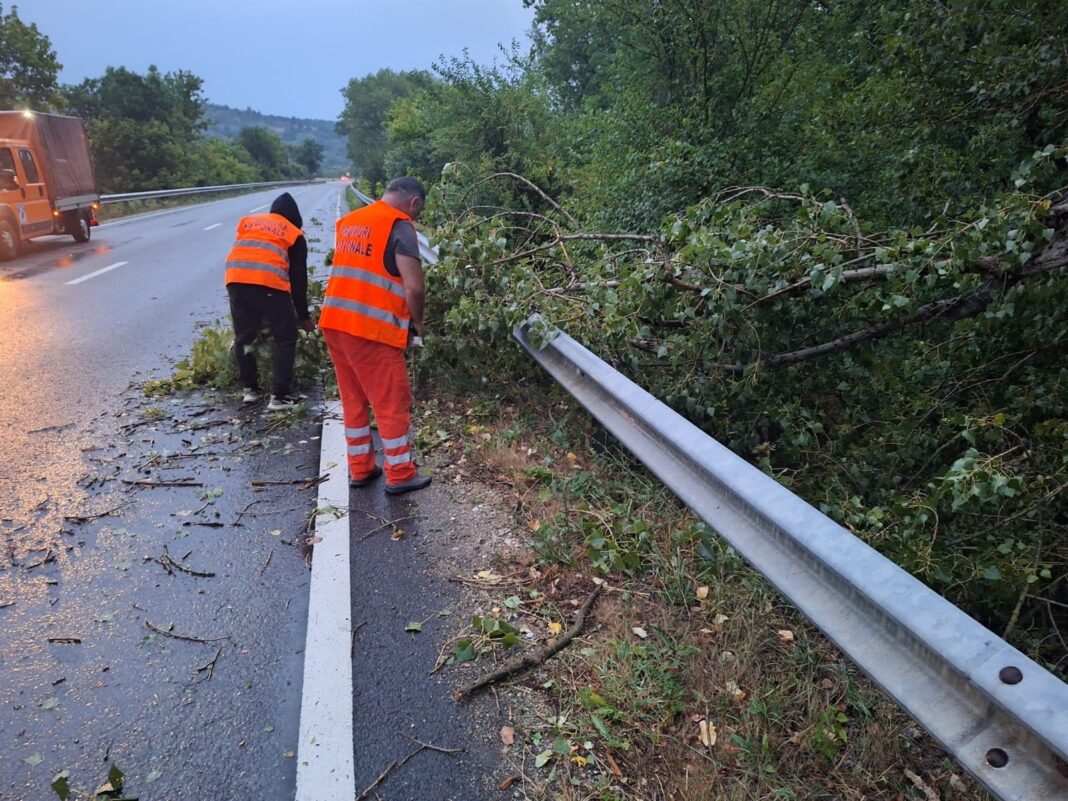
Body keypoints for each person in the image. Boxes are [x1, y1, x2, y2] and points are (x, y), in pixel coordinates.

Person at [319, 176, 431, 496]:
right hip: (371, 330)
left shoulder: (351, 221)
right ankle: (399, 473)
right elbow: (415, 286)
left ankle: (361, 468)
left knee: (354, 400)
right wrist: (417, 324)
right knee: (391, 402)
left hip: (336, 323)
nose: (416, 217)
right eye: (418, 211)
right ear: (414, 203)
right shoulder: (400, 224)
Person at [224, 192, 313, 410]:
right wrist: (303, 316)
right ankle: (279, 397)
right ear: (295, 218)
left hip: (235, 279)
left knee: (244, 337)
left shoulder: (249, 222)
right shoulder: (294, 233)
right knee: (285, 337)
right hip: (268, 282)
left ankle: (250, 391)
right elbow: (298, 279)